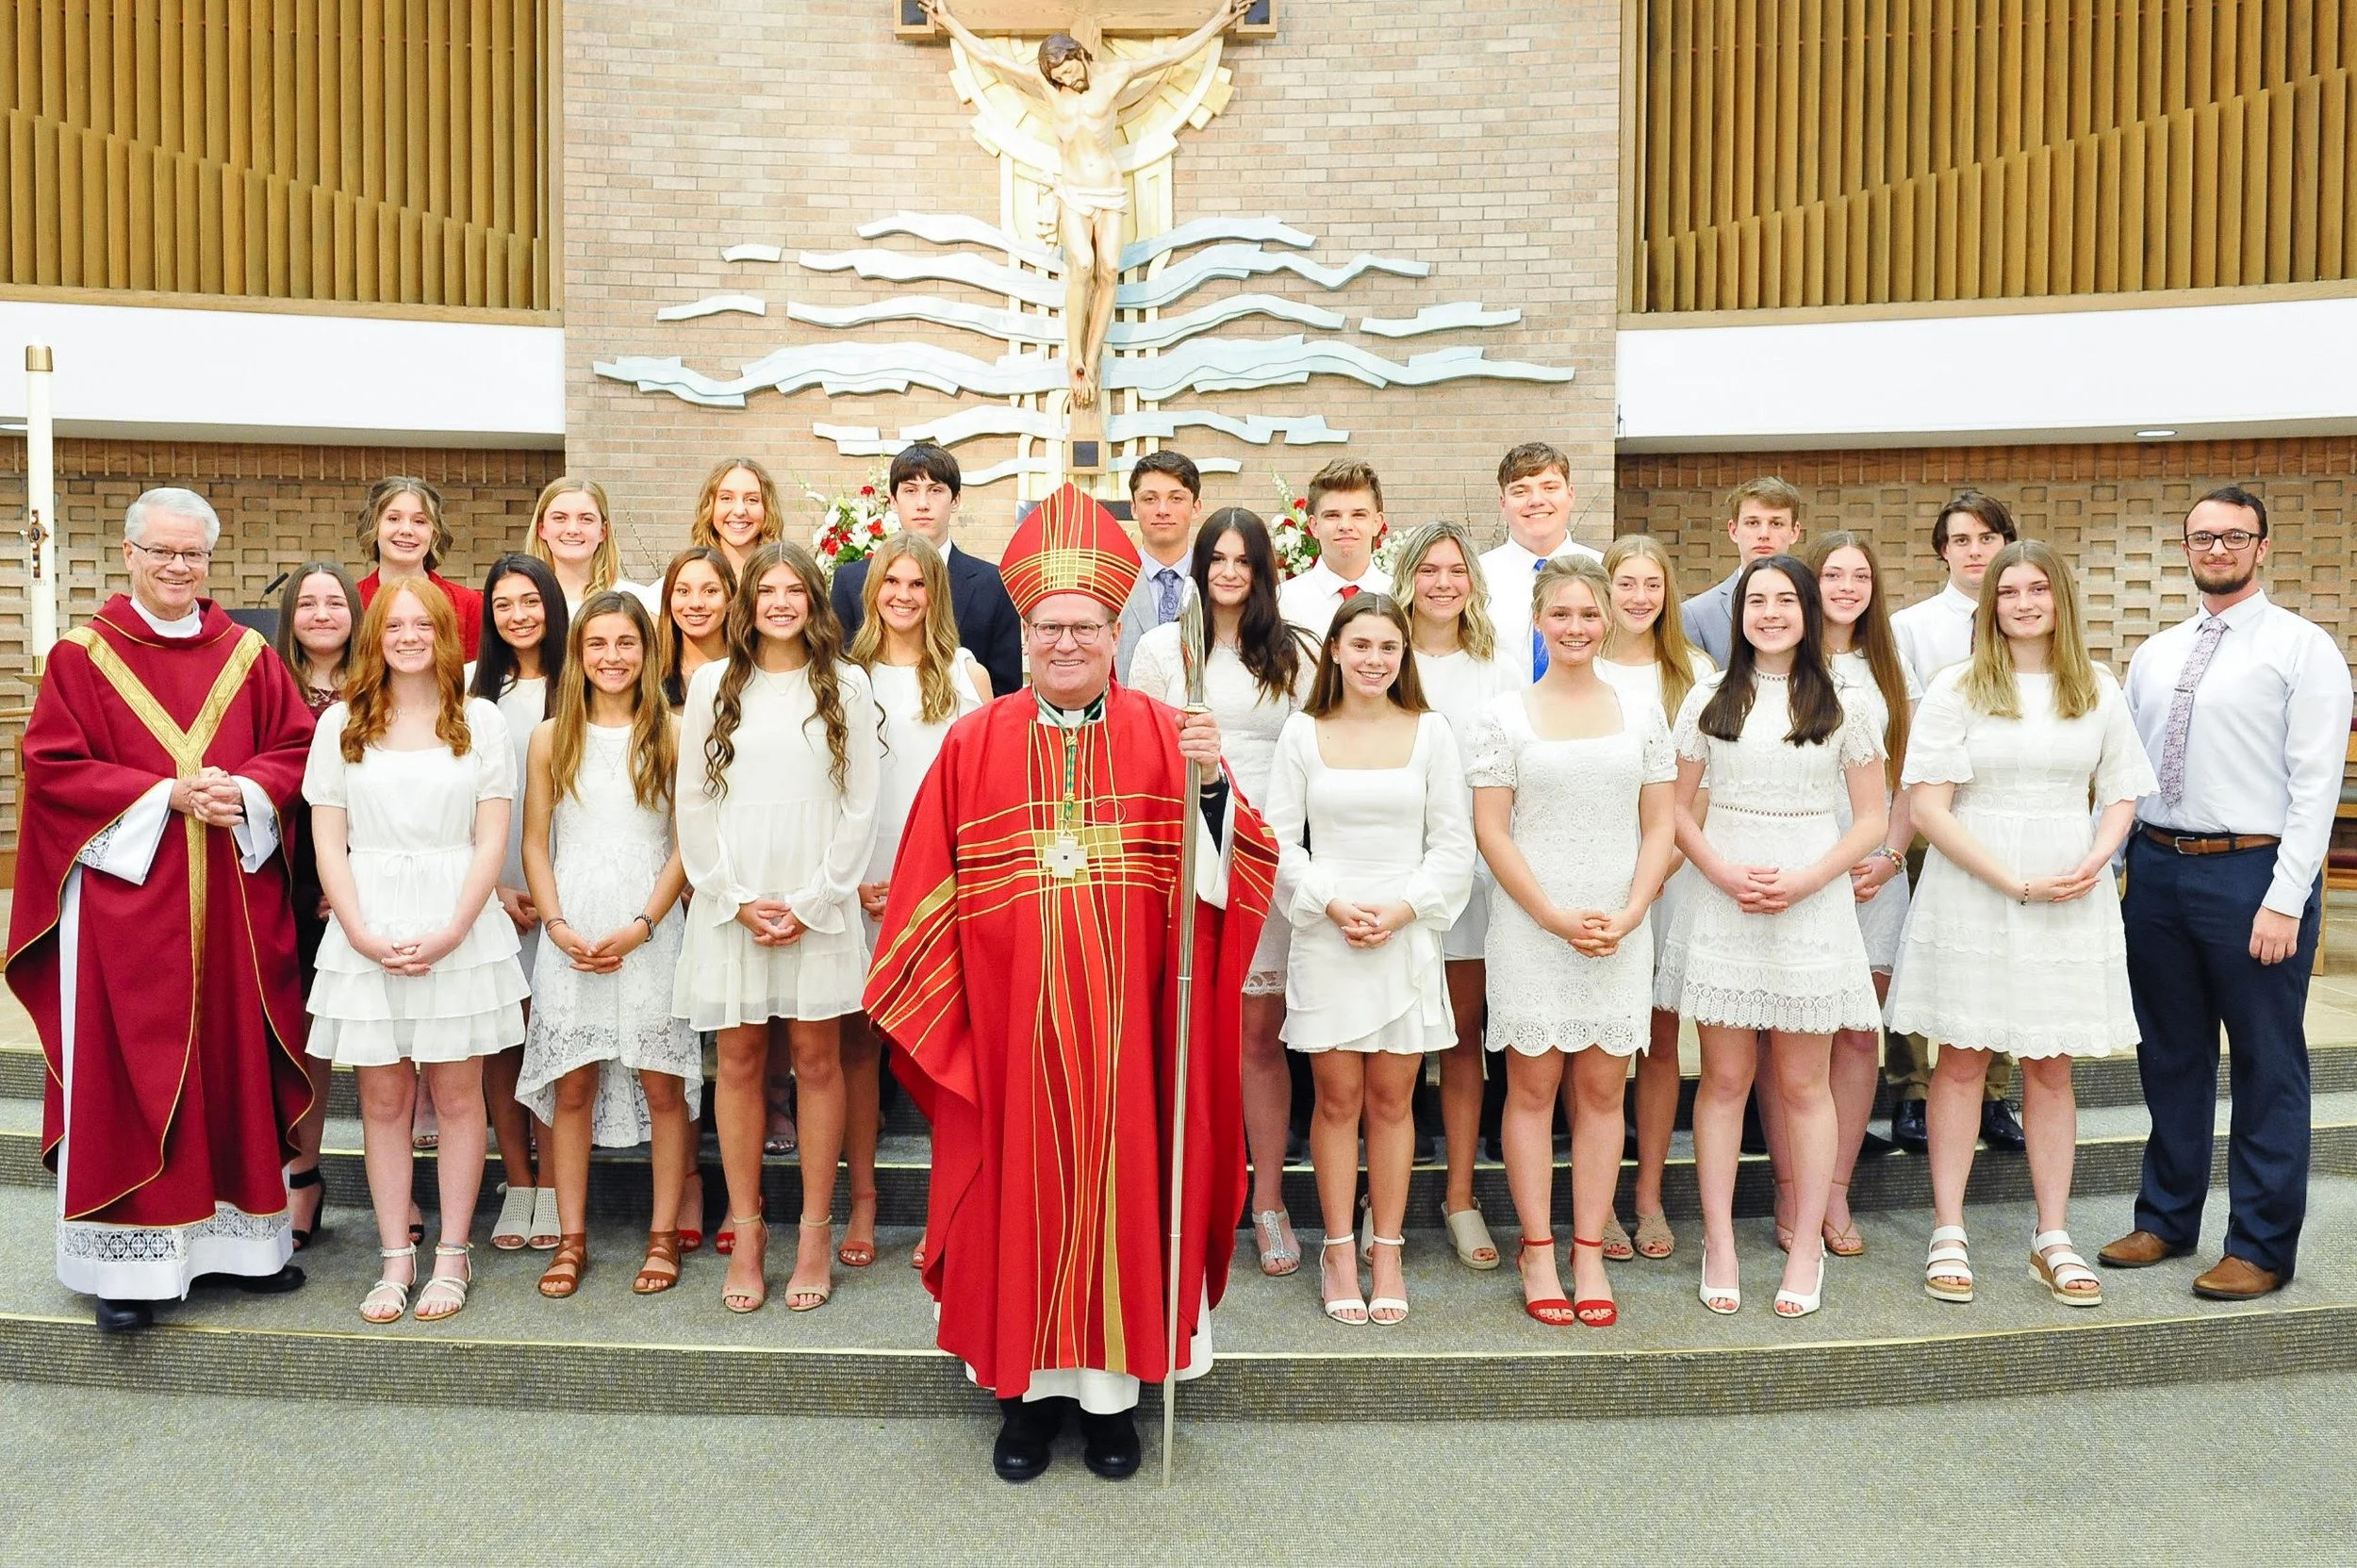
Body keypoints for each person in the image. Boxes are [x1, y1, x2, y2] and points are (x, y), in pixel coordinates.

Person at [864, 484, 1277, 1483]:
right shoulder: (972, 742)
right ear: (1027, 630)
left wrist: (1213, 787)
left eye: (1084, 627)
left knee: (1130, 1194)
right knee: (1016, 1200)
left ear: (1111, 629)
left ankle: (1112, 1406)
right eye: (1047, 626)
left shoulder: (1164, 735)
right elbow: (925, 891)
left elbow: (1237, 874)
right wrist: (949, 1016)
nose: (1063, 644)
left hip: (1131, 1041)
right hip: (1006, 1043)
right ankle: (1021, 1400)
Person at [8, 487, 316, 1332]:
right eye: (163, 552)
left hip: (231, 904)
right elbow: (55, 769)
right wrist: (164, 794)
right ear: (129, 554)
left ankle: (244, 1247)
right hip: (126, 911)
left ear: (209, 562)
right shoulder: (83, 656)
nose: (179, 568)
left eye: (193, 555)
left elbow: (293, 749)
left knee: (232, 1061)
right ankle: (128, 1269)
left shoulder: (249, 653)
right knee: (128, 1073)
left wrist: (246, 788)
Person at [1885, 540, 2154, 1309]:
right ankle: (1947, 1228)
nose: (2025, 602)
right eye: (2010, 591)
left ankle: (2053, 1234)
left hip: (2070, 885)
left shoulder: (2096, 686)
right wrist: (2013, 879)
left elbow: (2123, 792)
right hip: (1977, 883)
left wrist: (2096, 860)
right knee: (1962, 1059)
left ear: (2060, 600)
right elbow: (1930, 807)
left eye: (2039, 589)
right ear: (1990, 604)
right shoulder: (1957, 686)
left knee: (2051, 1065)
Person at [2103, 486, 2352, 1300]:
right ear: (2185, 548)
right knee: (2169, 1054)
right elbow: (2129, 774)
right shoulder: (2156, 652)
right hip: (2161, 870)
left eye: (2234, 536)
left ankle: (2260, 1243)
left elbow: (2317, 784)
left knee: (2265, 1062)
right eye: (2203, 537)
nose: (2217, 549)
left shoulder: (2302, 648)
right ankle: (2167, 1218)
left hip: (2254, 872)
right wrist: (2115, 870)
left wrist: (2287, 895)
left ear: (2263, 544)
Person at [1657, 555, 1887, 1320]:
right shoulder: (1707, 697)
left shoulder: (1845, 701)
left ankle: (1806, 1246)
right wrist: (1720, 871)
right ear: (1739, 613)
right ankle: (1718, 1240)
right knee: (1723, 1080)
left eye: (1786, 599)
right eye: (1757, 600)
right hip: (1725, 896)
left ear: (1809, 608)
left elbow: (1873, 820)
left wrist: (1809, 878)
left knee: (1801, 1083)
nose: (1771, 612)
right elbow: (1676, 810)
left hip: (1811, 898)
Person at [305, 579, 530, 1325]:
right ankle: (395, 1257)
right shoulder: (341, 721)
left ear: (445, 632)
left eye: (422, 624)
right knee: (384, 1099)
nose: (408, 636)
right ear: (376, 635)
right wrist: (360, 931)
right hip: (368, 919)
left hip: (455, 919)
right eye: (393, 624)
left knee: (460, 1095)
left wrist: (456, 928)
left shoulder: (482, 719)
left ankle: (454, 1252)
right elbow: (328, 841)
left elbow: (491, 837)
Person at [1467, 558, 1677, 1329]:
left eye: (1590, 613)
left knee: (1601, 1090)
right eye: (1562, 614)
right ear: (1538, 620)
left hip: (1619, 924)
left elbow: (1661, 822)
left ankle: (1589, 1247)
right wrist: (1553, 916)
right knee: (1531, 1088)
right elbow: (1492, 827)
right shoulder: (1506, 715)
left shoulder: (1641, 713)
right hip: (1533, 924)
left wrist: (1629, 911)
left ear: (1609, 618)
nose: (1579, 626)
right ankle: (1536, 1246)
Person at [676, 541, 881, 1315]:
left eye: (796, 589)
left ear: (815, 602)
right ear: (747, 602)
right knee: (737, 1059)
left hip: (816, 897)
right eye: (768, 589)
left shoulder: (847, 685)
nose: (782, 601)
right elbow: (693, 798)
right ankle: (750, 1229)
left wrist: (815, 897)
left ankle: (813, 1232)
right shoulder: (712, 683)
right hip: (737, 894)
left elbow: (861, 801)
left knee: (819, 1059)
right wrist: (730, 893)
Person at [1264, 594, 1475, 1329]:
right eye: (1360, 646)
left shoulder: (1431, 733)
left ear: (1403, 655)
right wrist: (1329, 900)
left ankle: (1387, 1248)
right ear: (1335, 652)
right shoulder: (1303, 732)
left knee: (1391, 1098)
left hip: (1404, 932)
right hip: (1330, 932)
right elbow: (1279, 840)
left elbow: (1454, 844)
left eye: (1388, 647)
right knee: (1335, 1098)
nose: (1374, 659)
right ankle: (1339, 1248)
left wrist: (1404, 908)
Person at [1129, 507, 1315, 1278]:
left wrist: (1288, 846)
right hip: (1183, 847)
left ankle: (1266, 1198)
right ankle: (1181, 1198)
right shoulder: (1160, 647)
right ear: (1199, 567)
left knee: (1255, 1038)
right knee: (1181, 1033)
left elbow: (1313, 753)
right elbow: (1136, 746)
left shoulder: (1295, 651)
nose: (1229, 572)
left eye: (1244, 560)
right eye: (1217, 559)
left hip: (1267, 850)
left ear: (1263, 568)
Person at [517, 592, 700, 1298]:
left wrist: (646, 921)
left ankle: (660, 1235)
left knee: (660, 1081)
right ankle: (571, 1239)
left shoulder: (672, 732)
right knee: (575, 1083)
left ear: (646, 652)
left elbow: (685, 845)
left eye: (626, 642)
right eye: (598, 643)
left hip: (647, 923)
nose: (612, 656)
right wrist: (558, 925)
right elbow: (537, 841)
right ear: (579, 654)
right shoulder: (550, 737)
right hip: (574, 925)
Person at [1759, 531, 1917, 1259]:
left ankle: (1836, 1188)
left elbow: (1911, 774)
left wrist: (1889, 854)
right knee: (1785, 1033)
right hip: (1798, 869)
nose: (1847, 586)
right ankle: (1792, 1187)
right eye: (1832, 573)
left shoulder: (1891, 665)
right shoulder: (1787, 659)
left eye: (1861, 574)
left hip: (1873, 868)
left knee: (1857, 1032)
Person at [844, 534, 991, 1272]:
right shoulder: (846, 676)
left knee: (943, 1051)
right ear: (873, 591)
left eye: (918, 583)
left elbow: (991, 788)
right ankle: (865, 1201)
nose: (903, 595)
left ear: (937, 592)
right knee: (861, 1049)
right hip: (868, 878)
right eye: (890, 582)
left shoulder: (967, 675)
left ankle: (947, 1205)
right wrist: (852, 875)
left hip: (949, 885)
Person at [1393, 520, 1517, 1271]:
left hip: (1473, 868)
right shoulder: (1382, 649)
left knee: (1462, 1037)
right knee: (1395, 1043)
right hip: (1394, 869)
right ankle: (1388, 1196)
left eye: (1456, 569)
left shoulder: (1495, 662)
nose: (1443, 582)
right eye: (1429, 569)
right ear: (1406, 576)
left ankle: (1461, 1196)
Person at [1885, 490, 2023, 1155]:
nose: (1975, 550)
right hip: (1927, 809)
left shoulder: (2029, 622)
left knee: (1997, 953)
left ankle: (1995, 1092)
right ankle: (1911, 1088)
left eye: (1988, 538)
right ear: (1943, 549)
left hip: (1999, 816)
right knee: (1920, 948)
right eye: (1962, 539)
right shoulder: (1910, 626)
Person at [1596, 535, 1714, 1263]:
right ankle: (1599, 1197)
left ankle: (1648, 1194)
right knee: (1603, 1040)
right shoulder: (1581, 663)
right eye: (1626, 584)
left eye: (1652, 585)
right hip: (1599, 871)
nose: (1639, 597)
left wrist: (1663, 863)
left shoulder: (1693, 672)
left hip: (1671, 870)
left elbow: (1701, 788)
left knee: (1662, 1039)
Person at [469, 553, 570, 1252]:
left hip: (566, 885)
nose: (518, 615)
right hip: (496, 889)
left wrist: (561, 891)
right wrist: (495, 890)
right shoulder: (476, 699)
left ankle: (561, 1186)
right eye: (503, 604)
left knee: (557, 1042)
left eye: (530, 600)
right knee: (505, 1040)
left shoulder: (582, 685)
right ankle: (520, 1181)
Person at [272, 562, 362, 1254]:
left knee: (392, 1046)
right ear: (290, 615)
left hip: (364, 870)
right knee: (301, 1038)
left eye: (336, 600)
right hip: (279, 873)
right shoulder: (261, 680)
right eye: (309, 601)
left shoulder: (382, 682)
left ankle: (406, 1190)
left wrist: (354, 877)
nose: (323, 612)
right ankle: (300, 1172)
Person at [831, 443, 1025, 698]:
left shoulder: (993, 583)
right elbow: (835, 673)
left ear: (955, 499)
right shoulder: (851, 581)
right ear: (892, 501)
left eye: (935, 490)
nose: (923, 504)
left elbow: (1005, 693)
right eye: (910, 491)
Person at [1477, 441, 1605, 686]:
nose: (1536, 500)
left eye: (1550, 487)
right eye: (1520, 491)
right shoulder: (1475, 579)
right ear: (1503, 502)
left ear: (1571, 494)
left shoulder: (1606, 571)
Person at [1678, 476, 1803, 668]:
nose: (1764, 534)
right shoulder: (1696, 615)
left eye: (1776, 523)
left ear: (1794, 532)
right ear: (1733, 530)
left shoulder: (1814, 603)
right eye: (1753, 523)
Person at [354, 475, 482, 660]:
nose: (406, 530)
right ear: (373, 526)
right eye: (393, 518)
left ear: (434, 532)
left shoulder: (469, 605)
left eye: (419, 521)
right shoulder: (349, 603)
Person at [1114, 450, 1203, 683]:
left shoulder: (1214, 580)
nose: (1162, 510)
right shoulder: (1113, 580)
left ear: (1196, 507)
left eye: (1176, 498)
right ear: (1133, 507)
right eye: (1150, 499)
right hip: (1128, 716)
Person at [1277, 458, 1389, 633]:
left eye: (1358, 515)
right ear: (1313, 526)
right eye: (1332, 515)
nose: (1345, 525)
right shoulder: (1282, 602)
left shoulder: (1401, 597)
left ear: (1377, 523)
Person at [525, 475, 660, 617]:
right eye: (560, 518)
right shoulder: (522, 601)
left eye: (586, 519)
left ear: (603, 531)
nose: (572, 530)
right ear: (542, 529)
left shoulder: (640, 601)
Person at [659, 546, 735, 711]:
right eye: (683, 591)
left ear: (730, 598)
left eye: (710, 591)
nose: (696, 604)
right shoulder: (649, 676)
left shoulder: (751, 672)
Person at [687, 456, 783, 577]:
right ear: (710, 507)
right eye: (726, 498)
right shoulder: (680, 583)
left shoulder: (786, 580)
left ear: (767, 509)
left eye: (752, 500)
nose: (739, 511)